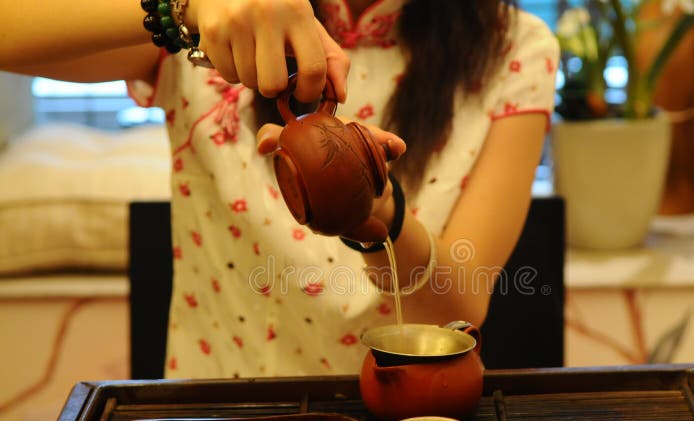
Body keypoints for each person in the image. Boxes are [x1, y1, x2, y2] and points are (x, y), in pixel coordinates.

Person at [0, 0, 558, 378]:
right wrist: (187, 5)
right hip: (220, 416)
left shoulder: (515, 48)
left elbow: (455, 309)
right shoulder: (220, 18)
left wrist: (378, 210)